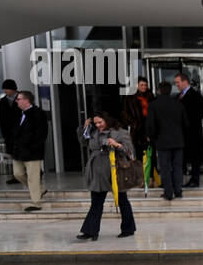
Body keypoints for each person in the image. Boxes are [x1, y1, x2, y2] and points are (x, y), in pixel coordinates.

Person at [77, 113, 135, 241]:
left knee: (122, 201)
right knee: (96, 202)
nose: (98, 126)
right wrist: (84, 128)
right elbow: (83, 142)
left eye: (100, 122)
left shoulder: (120, 133)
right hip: (97, 170)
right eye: (95, 123)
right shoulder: (93, 132)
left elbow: (129, 151)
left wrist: (116, 144)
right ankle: (90, 231)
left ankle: (128, 228)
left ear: (107, 120)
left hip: (115, 170)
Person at [146, 81, 185, 200]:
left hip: (162, 141)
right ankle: (178, 191)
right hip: (178, 140)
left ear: (159, 91)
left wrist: (150, 136)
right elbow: (185, 122)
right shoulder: (178, 104)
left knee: (165, 167)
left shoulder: (154, 105)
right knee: (178, 166)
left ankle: (168, 192)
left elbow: (151, 124)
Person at [9, 90, 47, 212]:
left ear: (26, 100)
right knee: (18, 174)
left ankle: (36, 202)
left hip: (32, 152)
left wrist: (34, 147)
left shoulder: (38, 113)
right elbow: (14, 132)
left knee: (33, 177)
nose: (16, 101)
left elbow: (41, 134)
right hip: (18, 151)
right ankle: (39, 189)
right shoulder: (19, 113)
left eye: (18, 99)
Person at [175, 72, 203, 187]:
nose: (176, 85)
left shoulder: (195, 95)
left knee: (195, 157)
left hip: (193, 132)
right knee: (185, 156)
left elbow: (201, 112)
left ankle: (195, 179)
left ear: (185, 81)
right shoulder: (179, 96)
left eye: (178, 82)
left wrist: (188, 121)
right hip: (183, 133)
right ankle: (185, 178)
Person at [121, 77, 152, 163]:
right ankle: (141, 173)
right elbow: (124, 113)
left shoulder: (150, 95)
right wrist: (133, 123)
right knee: (139, 152)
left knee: (150, 151)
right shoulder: (129, 97)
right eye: (141, 85)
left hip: (149, 126)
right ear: (136, 85)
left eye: (145, 85)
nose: (144, 87)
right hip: (137, 128)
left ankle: (152, 173)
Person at [0, 80, 22, 184]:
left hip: (21, 132)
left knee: (23, 153)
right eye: (5, 89)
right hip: (9, 133)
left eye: (7, 89)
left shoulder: (21, 98)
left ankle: (34, 172)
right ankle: (16, 175)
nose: (6, 91)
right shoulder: (3, 101)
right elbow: (1, 118)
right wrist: (4, 133)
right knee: (13, 154)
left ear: (13, 89)